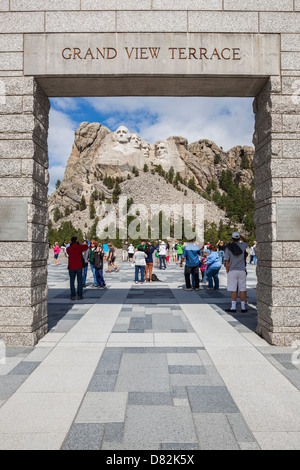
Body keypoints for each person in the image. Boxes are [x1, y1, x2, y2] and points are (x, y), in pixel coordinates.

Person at [224, 232, 249, 313]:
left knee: (233, 289)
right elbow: (247, 242)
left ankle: (233, 307)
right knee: (242, 289)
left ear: (232, 238)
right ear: (238, 238)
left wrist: (227, 270)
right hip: (242, 270)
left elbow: (226, 260)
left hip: (232, 270)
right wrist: (241, 235)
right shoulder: (242, 246)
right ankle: (243, 307)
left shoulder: (228, 247)